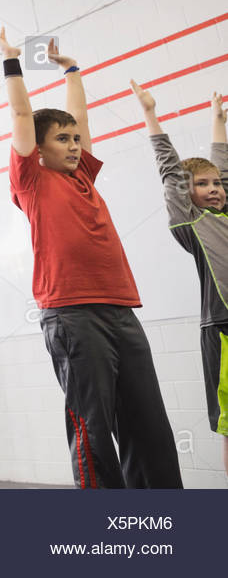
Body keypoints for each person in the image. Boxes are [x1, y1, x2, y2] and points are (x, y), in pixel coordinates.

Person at [0, 26, 181, 488]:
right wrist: (13, 63)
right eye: (62, 139)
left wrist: (72, 71)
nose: (75, 145)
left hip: (119, 308)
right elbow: (22, 113)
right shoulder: (32, 182)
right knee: (91, 428)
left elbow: (79, 116)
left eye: (76, 139)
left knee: (148, 425)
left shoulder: (84, 178)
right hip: (72, 313)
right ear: (38, 150)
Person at [130, 81, 228, 478]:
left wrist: (217, 121)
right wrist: (152, 115)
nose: (214, 190)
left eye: (217, 184)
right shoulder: (191, 223)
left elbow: (222, 163)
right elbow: (171, 172)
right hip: (222, 329)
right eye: (202, 185)